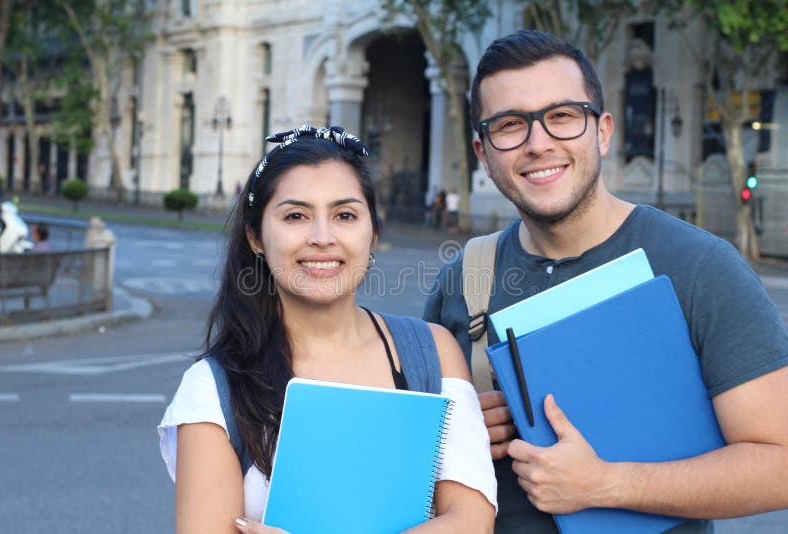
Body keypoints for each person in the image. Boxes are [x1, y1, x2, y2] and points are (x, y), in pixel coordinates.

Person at [423, 29, 788, 533]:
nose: (538, 143)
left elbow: (778, 463)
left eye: (562, 116)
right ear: (483, 154)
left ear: (603, 131)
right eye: (510, 125)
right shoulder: (462, 278)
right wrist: (452, 438)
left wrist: (605, 485)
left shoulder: (701, 267)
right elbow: (416, 468)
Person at [158, 125, 497, 534]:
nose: (322, 238)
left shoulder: (430, 352)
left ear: (373, 233)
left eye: (345, 215)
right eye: (296, 216)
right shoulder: (213, 388)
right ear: (255, 237)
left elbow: (472, 522)